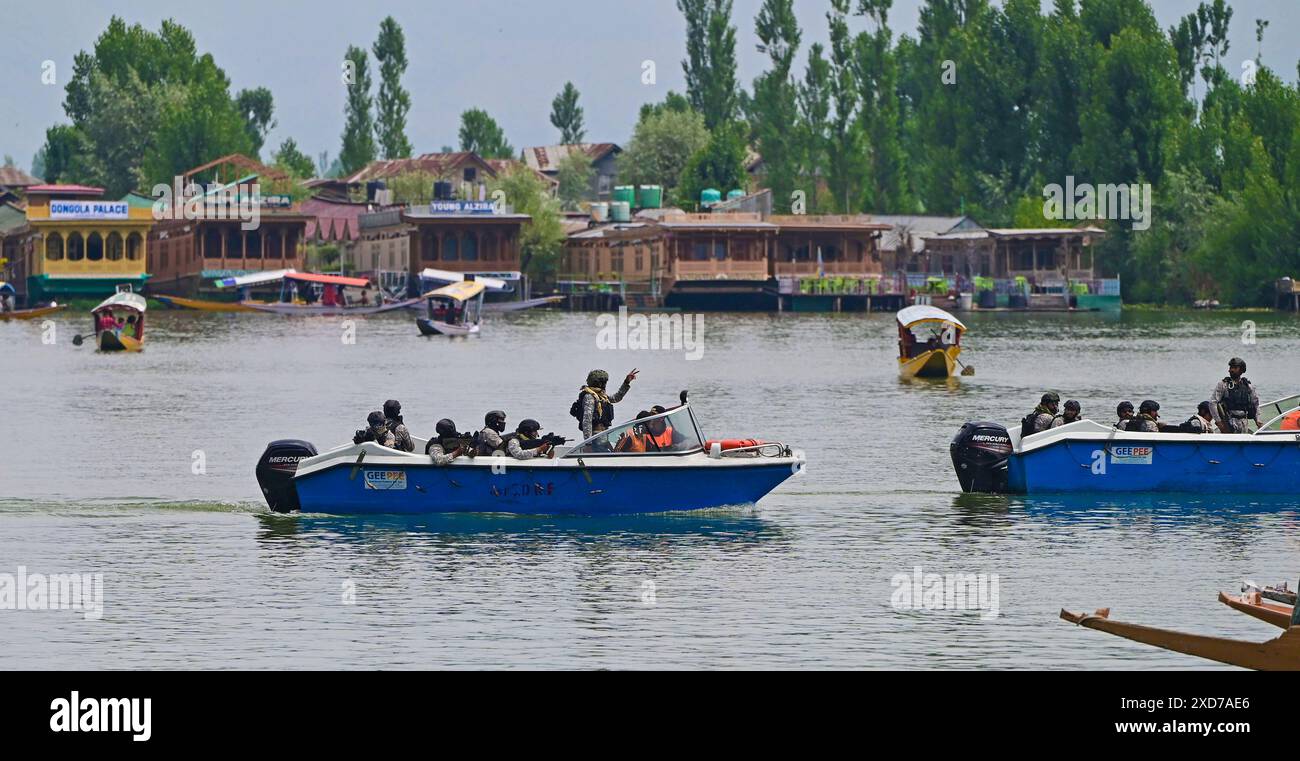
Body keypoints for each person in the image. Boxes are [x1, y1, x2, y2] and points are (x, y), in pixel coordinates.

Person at [572, 368, 637, 440]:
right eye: (604, 382)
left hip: (604, 433)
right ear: (599, 383)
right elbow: (587, 421)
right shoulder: (590, 397)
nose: (605, 384)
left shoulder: (601, 396)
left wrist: (626, 382)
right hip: (595, 436)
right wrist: (588, 443)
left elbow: (616, 398)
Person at [1211, 357, 1261, 433]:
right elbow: (1212, 403)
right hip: (1229, 421)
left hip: (1244, 422)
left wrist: (1257, 420)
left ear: (1241, 370)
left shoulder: (1248, 386)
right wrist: (1218, 421)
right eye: (1231, 367)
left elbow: (1255, 404)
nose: (1231, 370)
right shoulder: (1223, 385)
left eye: (1235, 367)